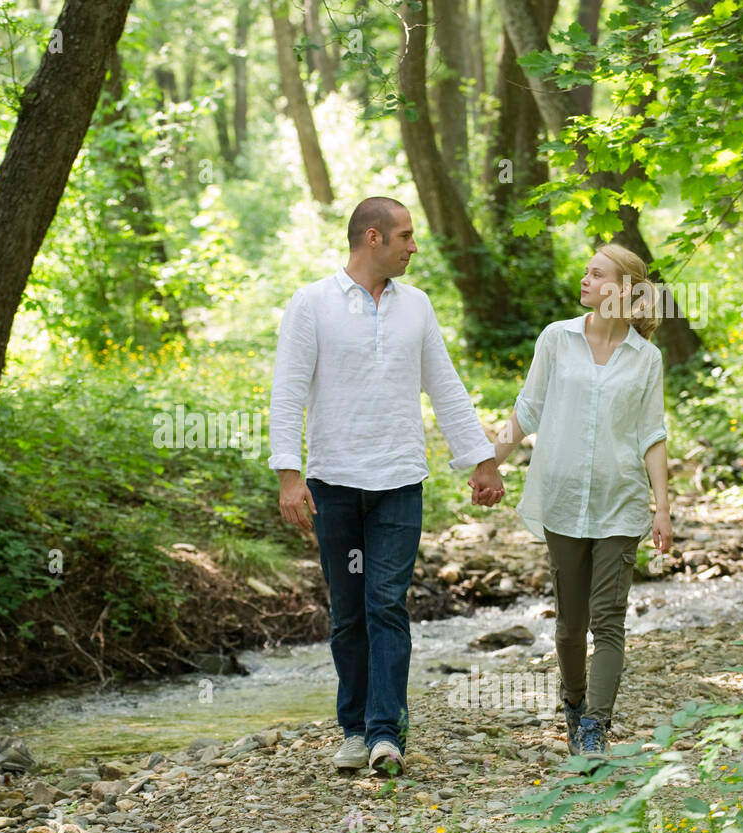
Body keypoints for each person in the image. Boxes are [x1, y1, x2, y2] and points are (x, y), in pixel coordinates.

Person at [269, 196, 504, 776]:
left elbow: (445, 386)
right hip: (334, 483)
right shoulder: (312, 304)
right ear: (372, 238)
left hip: (400, 481)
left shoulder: (416, 306)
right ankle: (353, 728)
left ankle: (385, 734)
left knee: (387, 605)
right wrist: (289, 476)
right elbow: (288, 392)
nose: (413, 247)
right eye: (405, 236)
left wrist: (482, 461)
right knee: (349, 612)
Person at [491, 243, 673, 761]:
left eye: (597, 274)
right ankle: (573, 704)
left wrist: (662, 507)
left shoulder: (646, 358)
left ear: (624, 290)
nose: (585, 280)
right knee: (571, 625)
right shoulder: (557, 338)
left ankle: (595, 725)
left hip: (621, 503)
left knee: (608, 620)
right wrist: (489, 463)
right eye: (586, 272)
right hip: (564, 498)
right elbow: (528, 408)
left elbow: (652, 434)